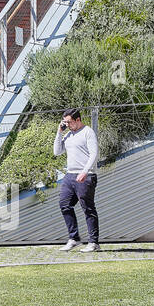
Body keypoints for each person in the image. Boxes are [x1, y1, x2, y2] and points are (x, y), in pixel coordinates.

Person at [54, 108, 101, 252]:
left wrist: (85, 172)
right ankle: (74, 238)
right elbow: (57, 152)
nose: (67, 124)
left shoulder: (88, 132)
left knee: (87, 208)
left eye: (69, 122)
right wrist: (59, 132)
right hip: (70, 176)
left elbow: (94, 154)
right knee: (64, 204)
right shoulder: (68, 134)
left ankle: (93, 243)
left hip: (86, 176)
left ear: (78, 120)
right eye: (65, 122)